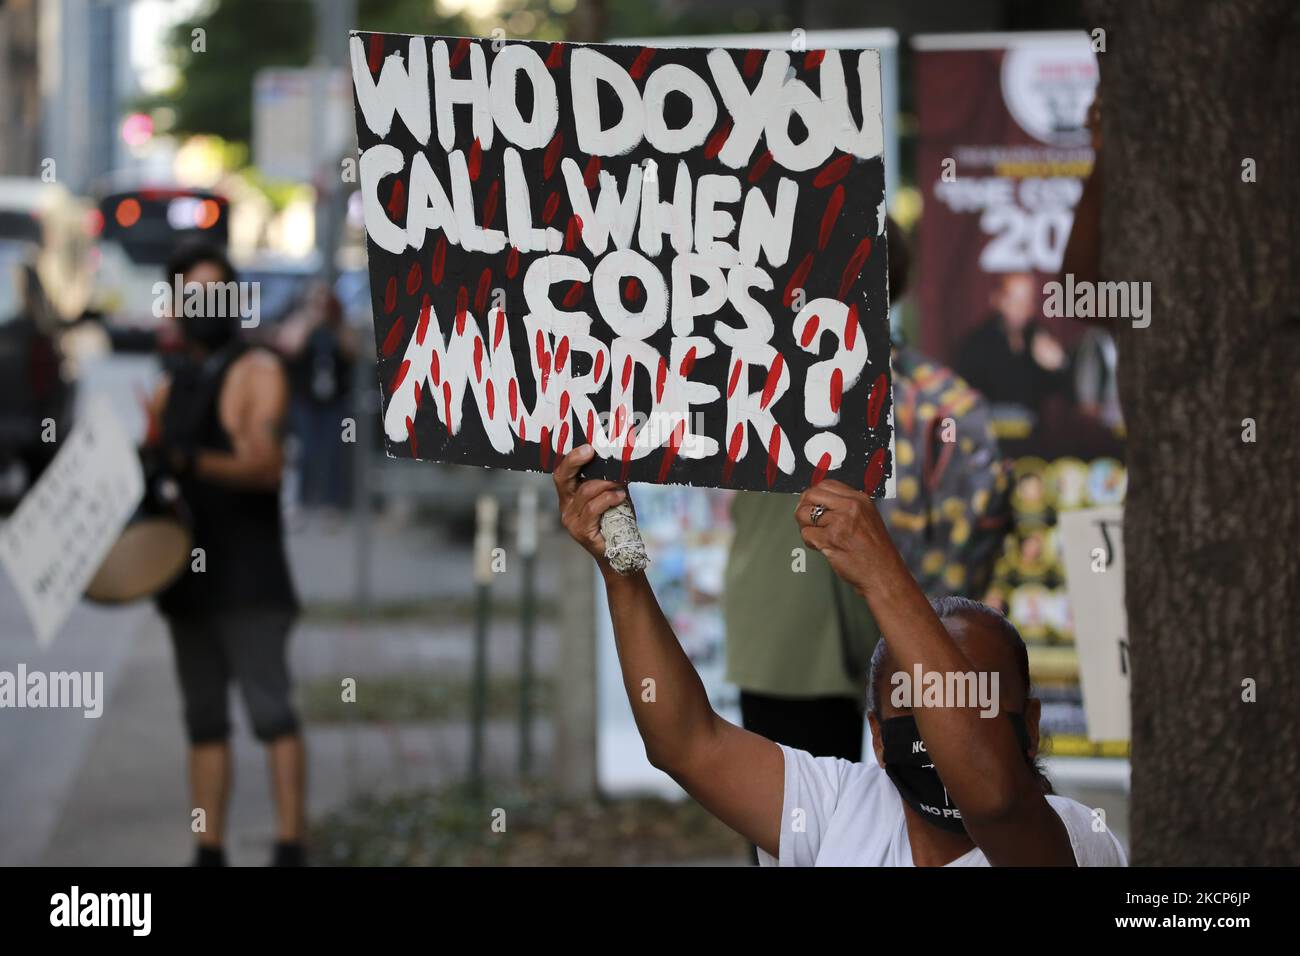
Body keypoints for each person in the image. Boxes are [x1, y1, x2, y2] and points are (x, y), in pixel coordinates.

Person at [553, 446, 1126, 866]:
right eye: (916, 703)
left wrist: (880, 572)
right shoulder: (837, 809)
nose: (942, 722)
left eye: (974, 697)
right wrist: (619, 566)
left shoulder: (1078, 840)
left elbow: (994, 797)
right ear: (876, 735)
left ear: (1029, 725)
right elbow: (685, 742)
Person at [720, 217, 913, 764]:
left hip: (793, 631)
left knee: (791, 827)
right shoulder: (921, 390)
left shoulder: (763, 362)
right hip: (862, 633)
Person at [146, 242, 306, 867]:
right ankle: (208, 850)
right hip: (186, 584)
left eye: (215, 293)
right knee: (204, 722)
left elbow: (264, 468)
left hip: (251, 577)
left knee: (272, 714)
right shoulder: (171, 386)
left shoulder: (257, 372)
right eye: (192, 295)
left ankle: (291, 845)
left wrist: (188, 461)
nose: (203, 307)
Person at [273, 280, 356, 513]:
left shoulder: (338, 325)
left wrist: (334, 322)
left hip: (335, 400)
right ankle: (302, 500)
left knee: (334, 451)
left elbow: (352, 351)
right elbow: (289, 346)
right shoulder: (298, 322)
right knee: (304, 450)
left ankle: (332, 503)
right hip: (304, 399)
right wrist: (311, 320)